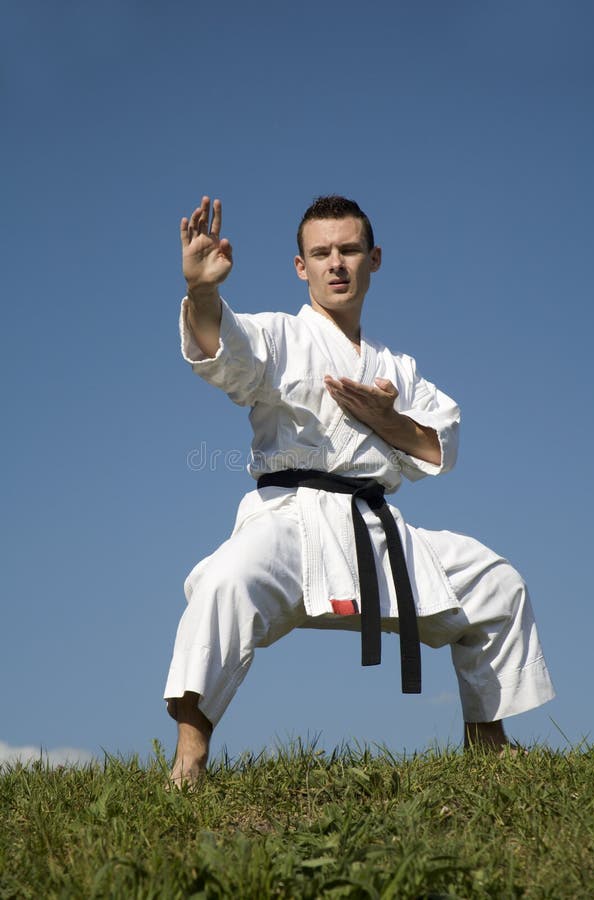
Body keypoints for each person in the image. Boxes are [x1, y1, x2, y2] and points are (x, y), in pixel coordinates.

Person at [165, 194, 555, 786]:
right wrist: (202, 292)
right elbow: (225, 355)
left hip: (373, 530)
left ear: (373, 259)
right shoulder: (280, 336)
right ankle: (189, 760)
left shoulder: (396, 369)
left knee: (495, 582)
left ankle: (488, 743)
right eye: (320, 253)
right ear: (302, 267)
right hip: (288, 522)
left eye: (349, 250)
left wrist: (386, 419)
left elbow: (439, 448)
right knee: (223, 583)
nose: (336, 263)